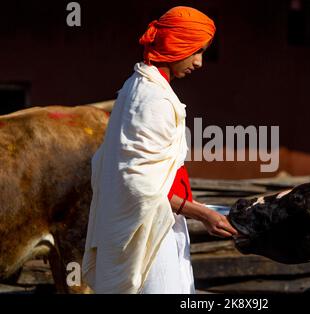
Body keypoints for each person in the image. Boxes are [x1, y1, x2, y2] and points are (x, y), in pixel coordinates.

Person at [82, 6, 238, 294]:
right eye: (197, 51)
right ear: (178, 45)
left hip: (164, 218)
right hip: (152, 228)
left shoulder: (137, 85)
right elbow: (139, 183)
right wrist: (202, 213)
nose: (200, 62)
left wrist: (193, 210)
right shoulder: (152, 97)